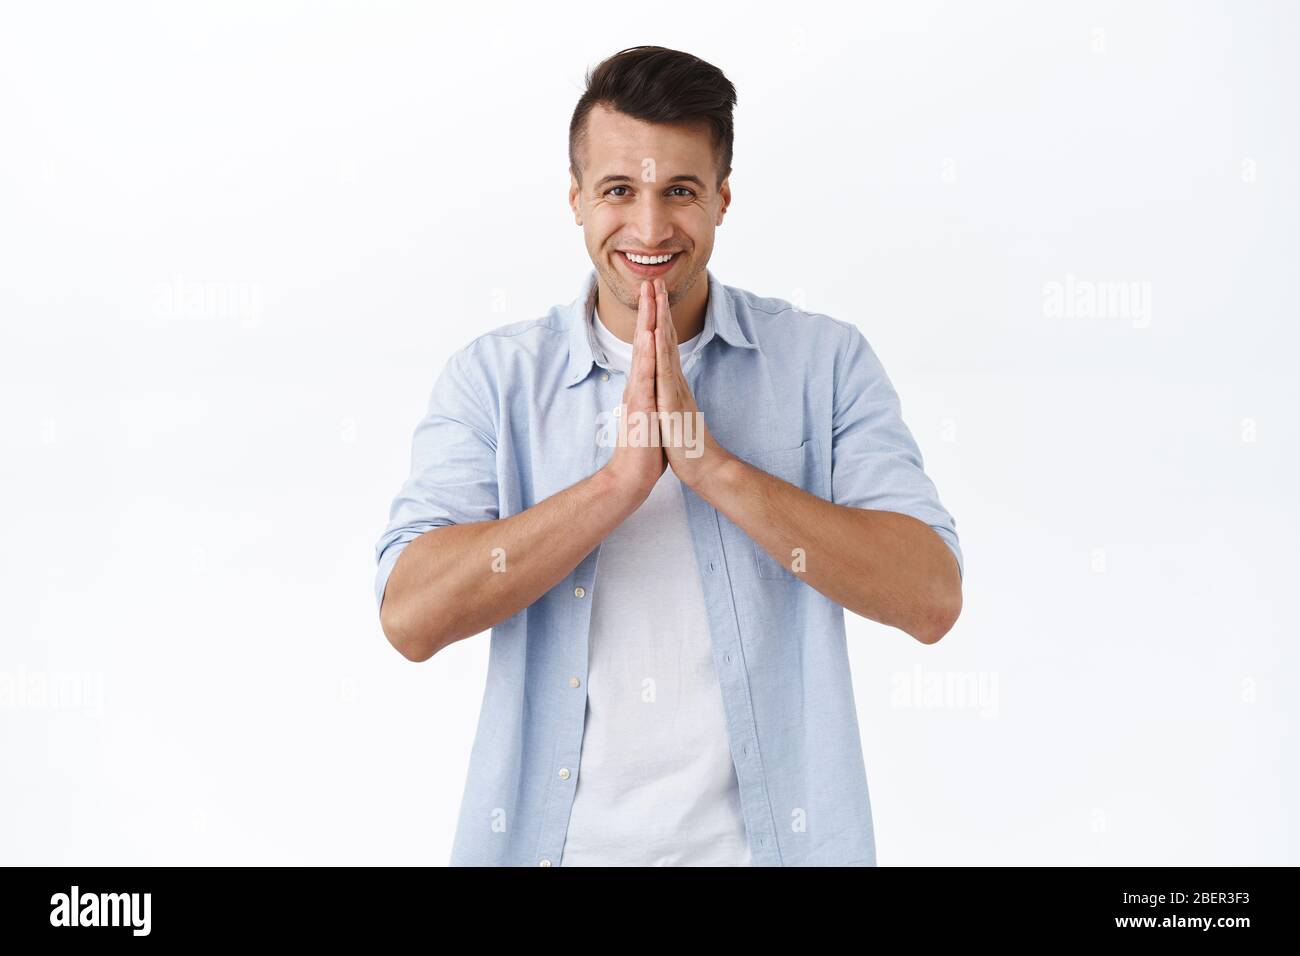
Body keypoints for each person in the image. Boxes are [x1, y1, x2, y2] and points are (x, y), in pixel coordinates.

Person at [374, 45, 963, 867]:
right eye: (619, 190)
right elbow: (408, 618)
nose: (649, 228)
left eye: (679, 191)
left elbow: (930, 597)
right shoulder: (493, 379)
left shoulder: (825, 363)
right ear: (576, 199)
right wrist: (617, 487)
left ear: (722, 199)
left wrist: (715, 470)